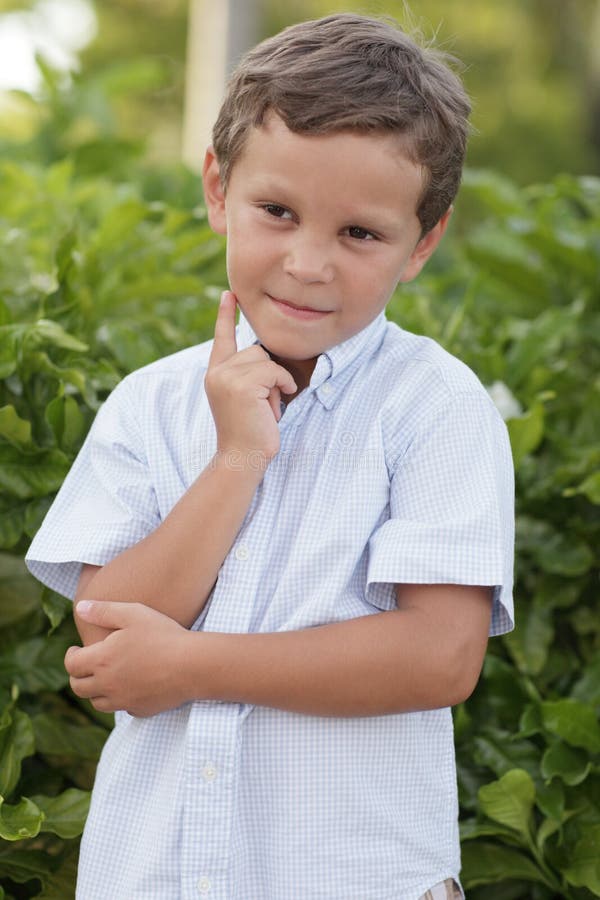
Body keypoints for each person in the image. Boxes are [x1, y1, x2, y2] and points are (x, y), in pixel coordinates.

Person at [25, 12, 514, 900]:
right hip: (155, 878)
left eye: (359, 234)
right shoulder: (152, 404)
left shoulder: (436, 408)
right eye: (277, 211)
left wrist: (193, 664)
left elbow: (440, 657)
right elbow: (107, 641)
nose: (307, 263)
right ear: (218, 188)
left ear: (424, 242)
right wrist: (235, 463)